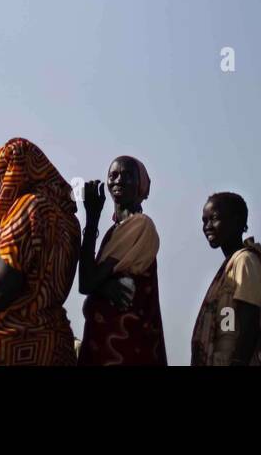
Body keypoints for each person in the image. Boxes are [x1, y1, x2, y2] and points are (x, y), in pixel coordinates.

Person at [0, 137, 80, 365]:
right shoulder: (70, 220)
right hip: (57, 343)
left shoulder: (27, 207)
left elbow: (4, 284)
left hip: (13, 343)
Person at [76, 156, 167, 366]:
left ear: (141, 185)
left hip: (124, 347)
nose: (119, 180)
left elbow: (87, 283)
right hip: (107, 344)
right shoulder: (115, 230)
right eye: (113, 175)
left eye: (128, 175)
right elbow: (89, 282)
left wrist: (91, 218)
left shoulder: (139, 224)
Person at [190, 191, 261, 366]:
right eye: (204, 220)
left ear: (238, 221)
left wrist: (238, 361)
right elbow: (229, 322)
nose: (207, 226)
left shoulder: (245, 261)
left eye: (214, 218)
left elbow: (250, 319)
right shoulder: (231, 266)